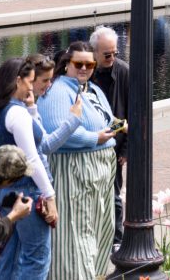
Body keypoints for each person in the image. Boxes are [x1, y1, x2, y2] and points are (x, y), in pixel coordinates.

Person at [0, 58, 67, 279]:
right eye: (29, 81)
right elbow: (32, 158)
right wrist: (50, 196)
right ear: (17, 81)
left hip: (6, 190)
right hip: (26, 192)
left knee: (9, 254)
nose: (32, 86)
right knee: (36, 258)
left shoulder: (0, 109)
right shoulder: (16, 114)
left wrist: (31, 107)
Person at [37, 44, 119, 280]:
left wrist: (116, 126)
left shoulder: (92, 89)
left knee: (99, 231)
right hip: (74, 172)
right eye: (78, 64)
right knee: (75, 235)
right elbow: (56, 131)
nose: (84, 68)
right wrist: (95, 137)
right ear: (66, 64)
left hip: (99, 173)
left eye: (90, 64)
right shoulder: (58, 90)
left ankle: (95, 275)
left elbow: (109, 119)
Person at [90, 27, 129, 250]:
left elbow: (132, 114)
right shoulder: (87, 71)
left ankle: (117, 239)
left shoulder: (123, 72)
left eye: (114, 52)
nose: (112, 58)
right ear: (94, 52)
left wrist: (126, 151)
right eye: (107, 54)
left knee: (114, 194)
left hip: (114, 145)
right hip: (91, 143)